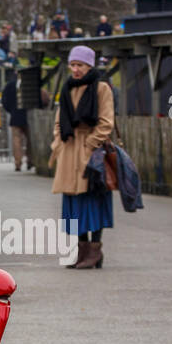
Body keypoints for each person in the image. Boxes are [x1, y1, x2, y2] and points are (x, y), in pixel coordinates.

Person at [51, 45, 115, 270]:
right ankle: (82, 250)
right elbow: (60, 119)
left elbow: (106, 122)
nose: (75, 69)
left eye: (80, 65)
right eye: (73, 65)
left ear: (89, 66)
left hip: (91, 151)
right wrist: (58, 141)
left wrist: (89, 144)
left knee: (93, 198)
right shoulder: (67, 88)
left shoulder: (101, 88)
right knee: (74, 202)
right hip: (69, 149)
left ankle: (94, 250)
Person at [2, 65, 29, 170]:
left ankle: (18, 163)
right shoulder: (29, 85)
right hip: (27, 115)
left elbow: (5, 101)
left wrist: (11, 110)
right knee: (30, 140)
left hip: (15, 116)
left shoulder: (10, 85)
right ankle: (31, 161)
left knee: (16, 141)